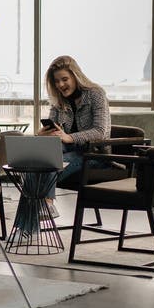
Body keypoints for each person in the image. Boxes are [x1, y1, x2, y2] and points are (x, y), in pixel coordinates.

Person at [37, 55, 112, 212]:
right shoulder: (59, 100)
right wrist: (43, 135)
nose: (60, 85)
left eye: (64, 79)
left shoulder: (96, 94)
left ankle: (46, 205)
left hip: (94, 155)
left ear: (76, 76)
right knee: (37, 163)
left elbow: (100, 132)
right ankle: (42, 208)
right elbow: (55, 133)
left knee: (49, 163)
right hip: (67, 152)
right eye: (56, 81)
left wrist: (69, 137)